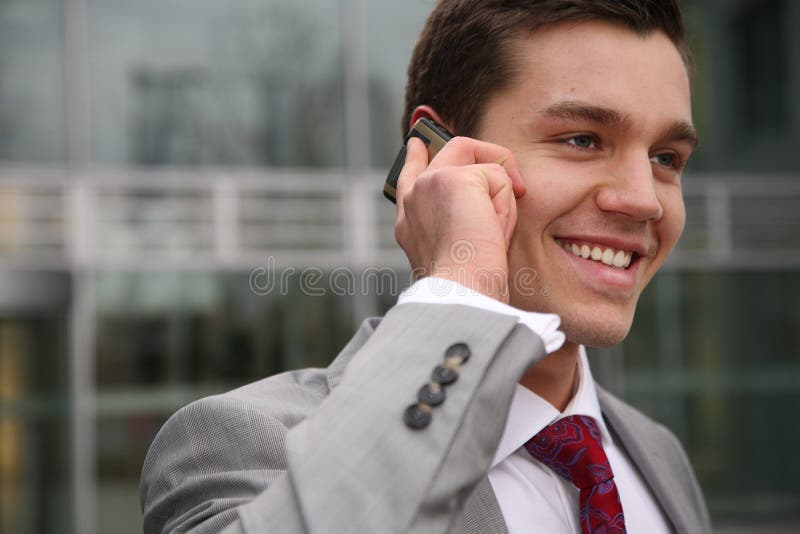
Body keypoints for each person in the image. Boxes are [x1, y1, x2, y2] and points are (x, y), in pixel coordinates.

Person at [140, 0, 712, 532]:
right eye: (583, 139)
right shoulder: (239, 446)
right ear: (438, 157)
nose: (645, 200)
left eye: (666, 159)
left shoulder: (657, 455)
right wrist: (458, 285)